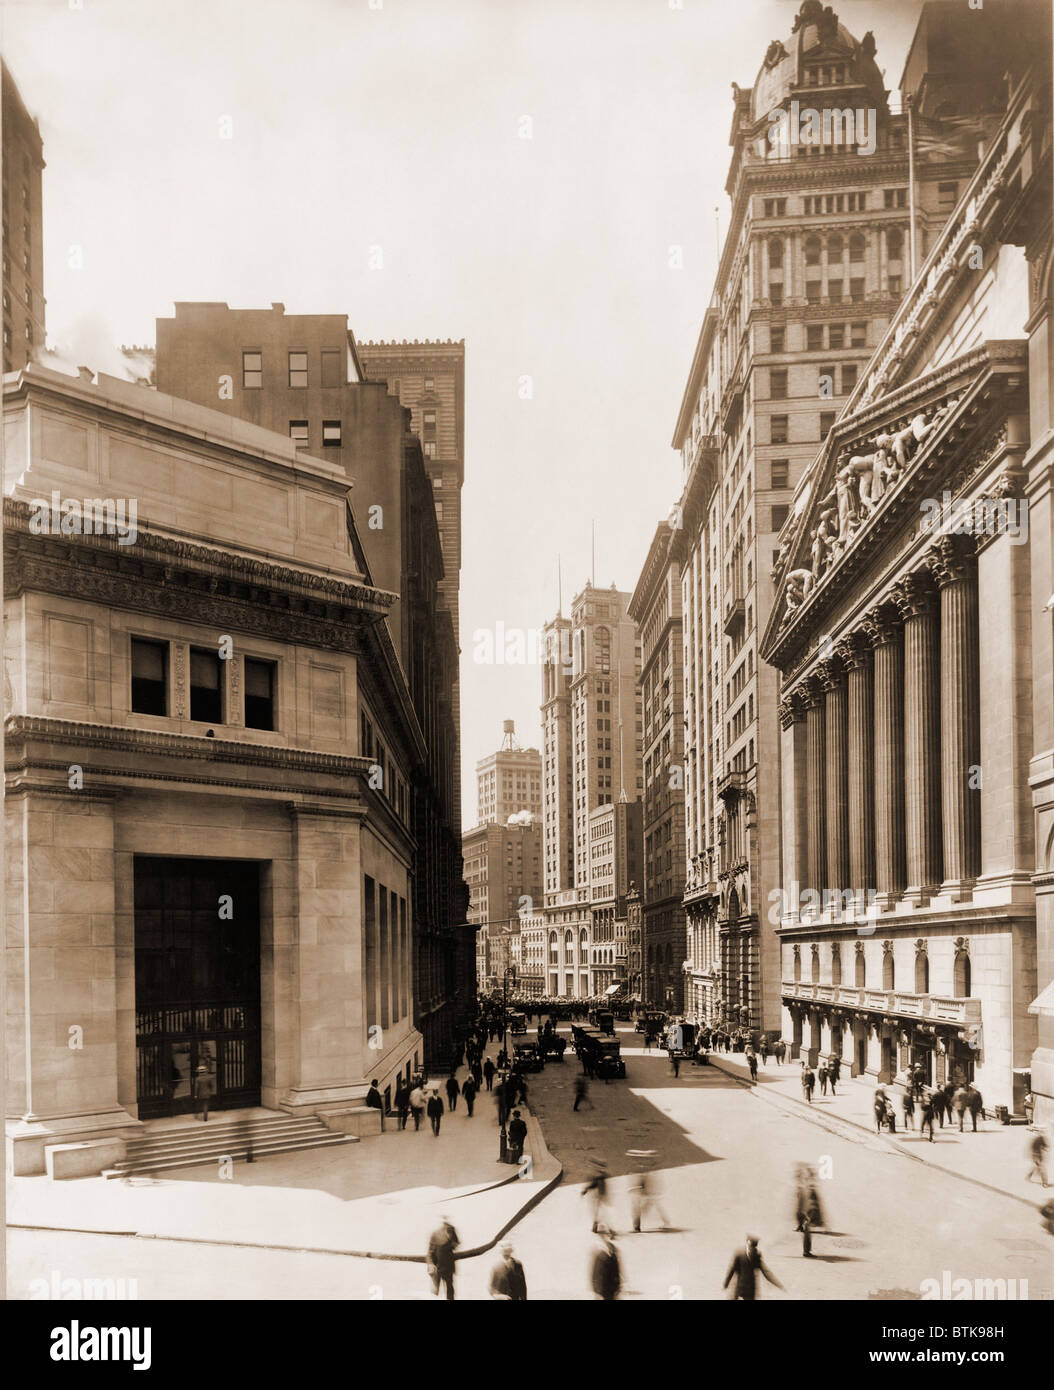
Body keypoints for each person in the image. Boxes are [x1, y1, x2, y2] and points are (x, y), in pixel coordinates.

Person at [723, 1235, 784, 1301]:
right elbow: (732, 1269)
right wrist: (726, 1283)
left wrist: (778, 1284)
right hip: (738, 1287)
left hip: (751, 1289)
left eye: (755, 1247)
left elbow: (766, 1271)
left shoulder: (757, 1254)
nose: (753, 1249)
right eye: (752, 1246)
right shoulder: (739, 1253)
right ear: (748, 1242)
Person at [426, 1217, 460, 1300]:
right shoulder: (435, 1234)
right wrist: (430, 1264)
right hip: (437, 1267)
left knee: (450, 1291)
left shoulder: (451, 1230)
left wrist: (452, 1241)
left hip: (448, 1267)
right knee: (435, 1291)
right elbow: (430, 1253)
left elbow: (456, 1244)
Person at [631, 1167, 670, 1233]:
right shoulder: (647, 1175)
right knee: (655, 1208)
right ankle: (666, 1222)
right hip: (651, 1195)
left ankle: (636, 1227)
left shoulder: (645, 1175)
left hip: (649, 1195)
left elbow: (643, 1186)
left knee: (642, 1210)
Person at [591, 1229, 621, 1301]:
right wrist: (598, 1292)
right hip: (603, 1290)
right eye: (604, 1234)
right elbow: (596, 1273)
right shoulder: (599, 1252)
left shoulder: (613, 1250)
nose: (607, 1236)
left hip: (612, 1289)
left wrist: (618, 1287)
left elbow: (617, 1270)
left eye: (608, 1234)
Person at [582, 1160, 609, 1232]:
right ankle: (596, 1226)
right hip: (600, 1195)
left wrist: (585, 1190)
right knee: (598, 1211)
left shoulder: (599, 1176)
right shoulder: (602, 1175)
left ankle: (596, 1226)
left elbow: (593, 1185)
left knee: (597, 1211)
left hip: (599, 1196)